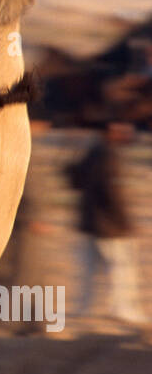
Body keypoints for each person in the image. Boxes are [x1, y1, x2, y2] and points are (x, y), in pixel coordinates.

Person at [67, 122, 144, 327]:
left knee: (88, 272)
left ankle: (84, 309)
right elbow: (112, 193)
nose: (128, 133)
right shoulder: (109, 155)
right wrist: (127, 223)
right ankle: (122, 309)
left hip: (89, 223)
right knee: (121, 270)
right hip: (110, 226)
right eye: (123, 130)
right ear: (112, 131)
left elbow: (74, 182)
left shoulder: (91, 152)